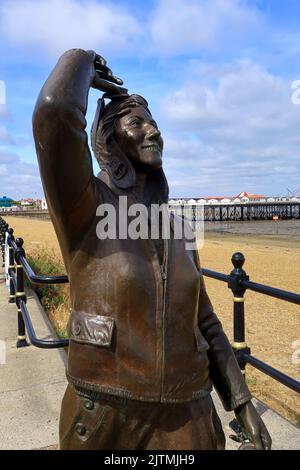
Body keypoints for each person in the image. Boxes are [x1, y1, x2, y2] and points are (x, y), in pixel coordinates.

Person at [33, 49, 271, 450]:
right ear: (109, 137)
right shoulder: (86, 207)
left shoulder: (179, 230)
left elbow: (206, 322)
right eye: (136, 122)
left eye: (155, 123)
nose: (152, 131)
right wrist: (84, 63)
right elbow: (54, 114)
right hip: (108, 411)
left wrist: (240, 402)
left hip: (189, 413)